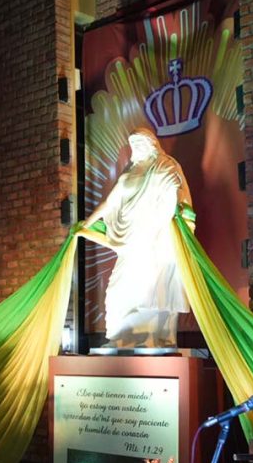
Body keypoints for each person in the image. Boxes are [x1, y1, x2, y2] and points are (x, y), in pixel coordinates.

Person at [79, 127, 193, 349]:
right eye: (133, 144)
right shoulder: (128, 173)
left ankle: (148, 337)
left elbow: (175, 196)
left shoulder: (164, 167)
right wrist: (88, 223)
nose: (137, 147)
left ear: (152, 144)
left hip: (152, 239)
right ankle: (121, 337)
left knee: (150, 290)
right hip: (129, 239)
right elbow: (110, 203)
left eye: (141, 143)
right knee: (116, 290)